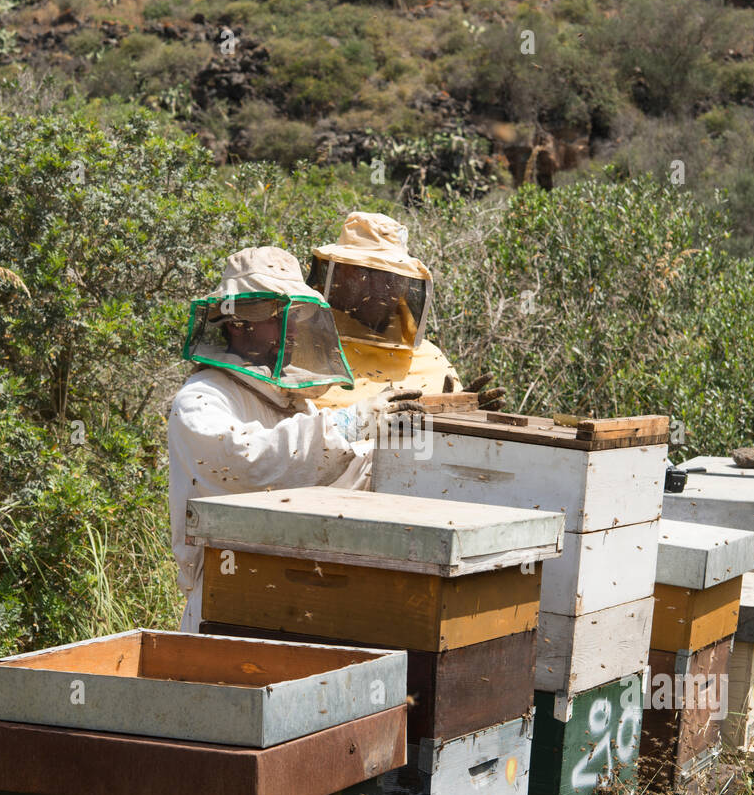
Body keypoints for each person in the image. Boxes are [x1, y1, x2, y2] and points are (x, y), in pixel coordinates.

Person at [168, 245, 421, 632]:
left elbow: (339, 471)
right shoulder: (201, 400)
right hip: (227, 594)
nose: (292, 331)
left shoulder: (292, 401)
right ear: (239, 322)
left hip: (294, 595)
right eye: (280, 318)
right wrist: (353, 423)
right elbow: (251, 464)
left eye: (297, 318)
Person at [306, 211, 505, 411]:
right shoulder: (300, 347)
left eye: (390, 276)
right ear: (339, 274)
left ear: (404, 281)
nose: (381, 286)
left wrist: (463, 414)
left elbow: (440, 437)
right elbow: (289, 433)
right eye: (368, 272)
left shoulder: (431, 359)